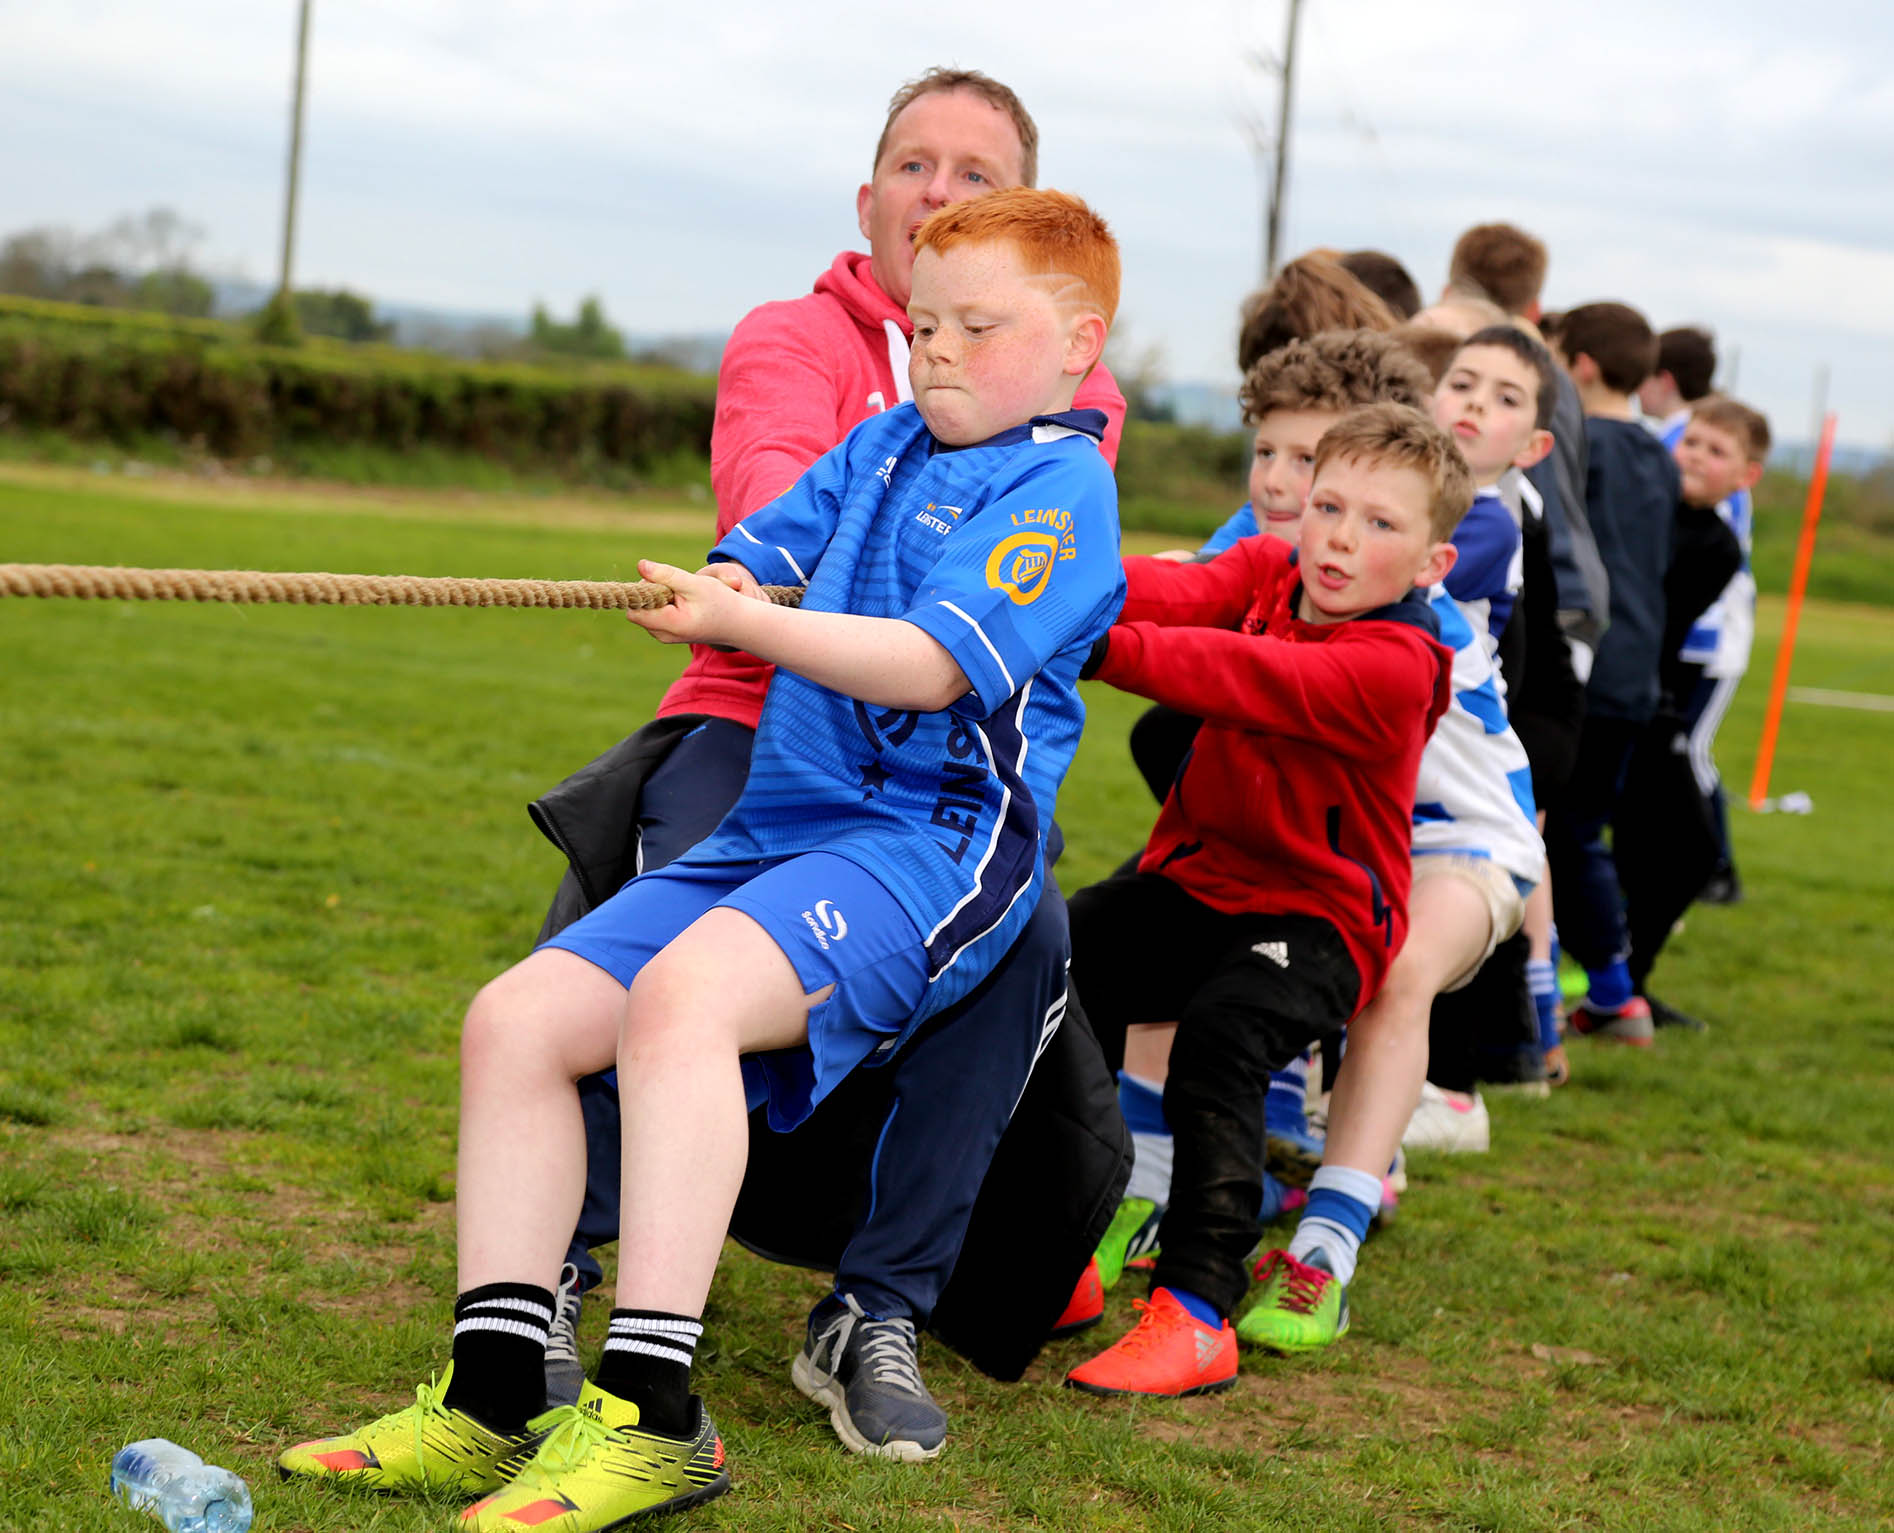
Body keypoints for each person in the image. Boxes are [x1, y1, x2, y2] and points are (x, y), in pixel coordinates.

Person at [279, 187, 1127, 1527]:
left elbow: (923, 665)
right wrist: (721, 585)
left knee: (681, 1005)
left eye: (978, 324)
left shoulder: (1060, 485)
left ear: (1079, 345)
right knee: (516, 1022)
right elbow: (764, 552)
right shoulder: (883, 443)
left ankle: (653, 1416)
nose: (939, 350)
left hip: (928, 848)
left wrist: (752, 623)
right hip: (776, 828)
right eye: (921, 322)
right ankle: (492, 1401)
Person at [527, 66, 1129, 1461]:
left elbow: (1017, 609)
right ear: (869, 202)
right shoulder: (801, 339)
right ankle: (554, 1263)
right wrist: (752, 584)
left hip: (925, 785)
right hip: (750, 712)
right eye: (912, 165)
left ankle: (878, 1304)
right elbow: (768, 508)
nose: (938, 192)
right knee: (661, 929)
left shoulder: (1047, 396)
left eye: (975, 173)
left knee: (1018, 935)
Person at [1059, 403, 1463, 1398]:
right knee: (1057, 958)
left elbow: (1234, 671)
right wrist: (1045, 583)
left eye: (1379, 523)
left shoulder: (1395, 666)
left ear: (1430, 564)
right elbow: (1171, 588)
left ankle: (1195, 1310)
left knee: (1220, 1040)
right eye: (1328, 506)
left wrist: (1082, 638)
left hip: (1318, 917)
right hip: (1197, 882)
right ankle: (1058, 1241)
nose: (1337, 536)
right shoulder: (1266, 572)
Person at [1543, 301, 1679, 1046]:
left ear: (1581, 365)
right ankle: (1586, 977)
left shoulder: (1580, 444)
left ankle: (1613, 991)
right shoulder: (1660, 453)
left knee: (1564, 829)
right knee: (1579, 828)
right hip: (1639, 669)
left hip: (1589, 664)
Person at [1616, 397, 1766, 1030]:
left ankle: (1625, 983)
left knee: (1690, 852)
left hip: (1652, 706)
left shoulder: (1717, 547)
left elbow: (1659, 615)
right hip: (1610, 699)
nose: (1698, 458)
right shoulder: (1638, 506)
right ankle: (1604, 982)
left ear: (1746, 476)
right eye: (1693, 443)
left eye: (1717, 451)